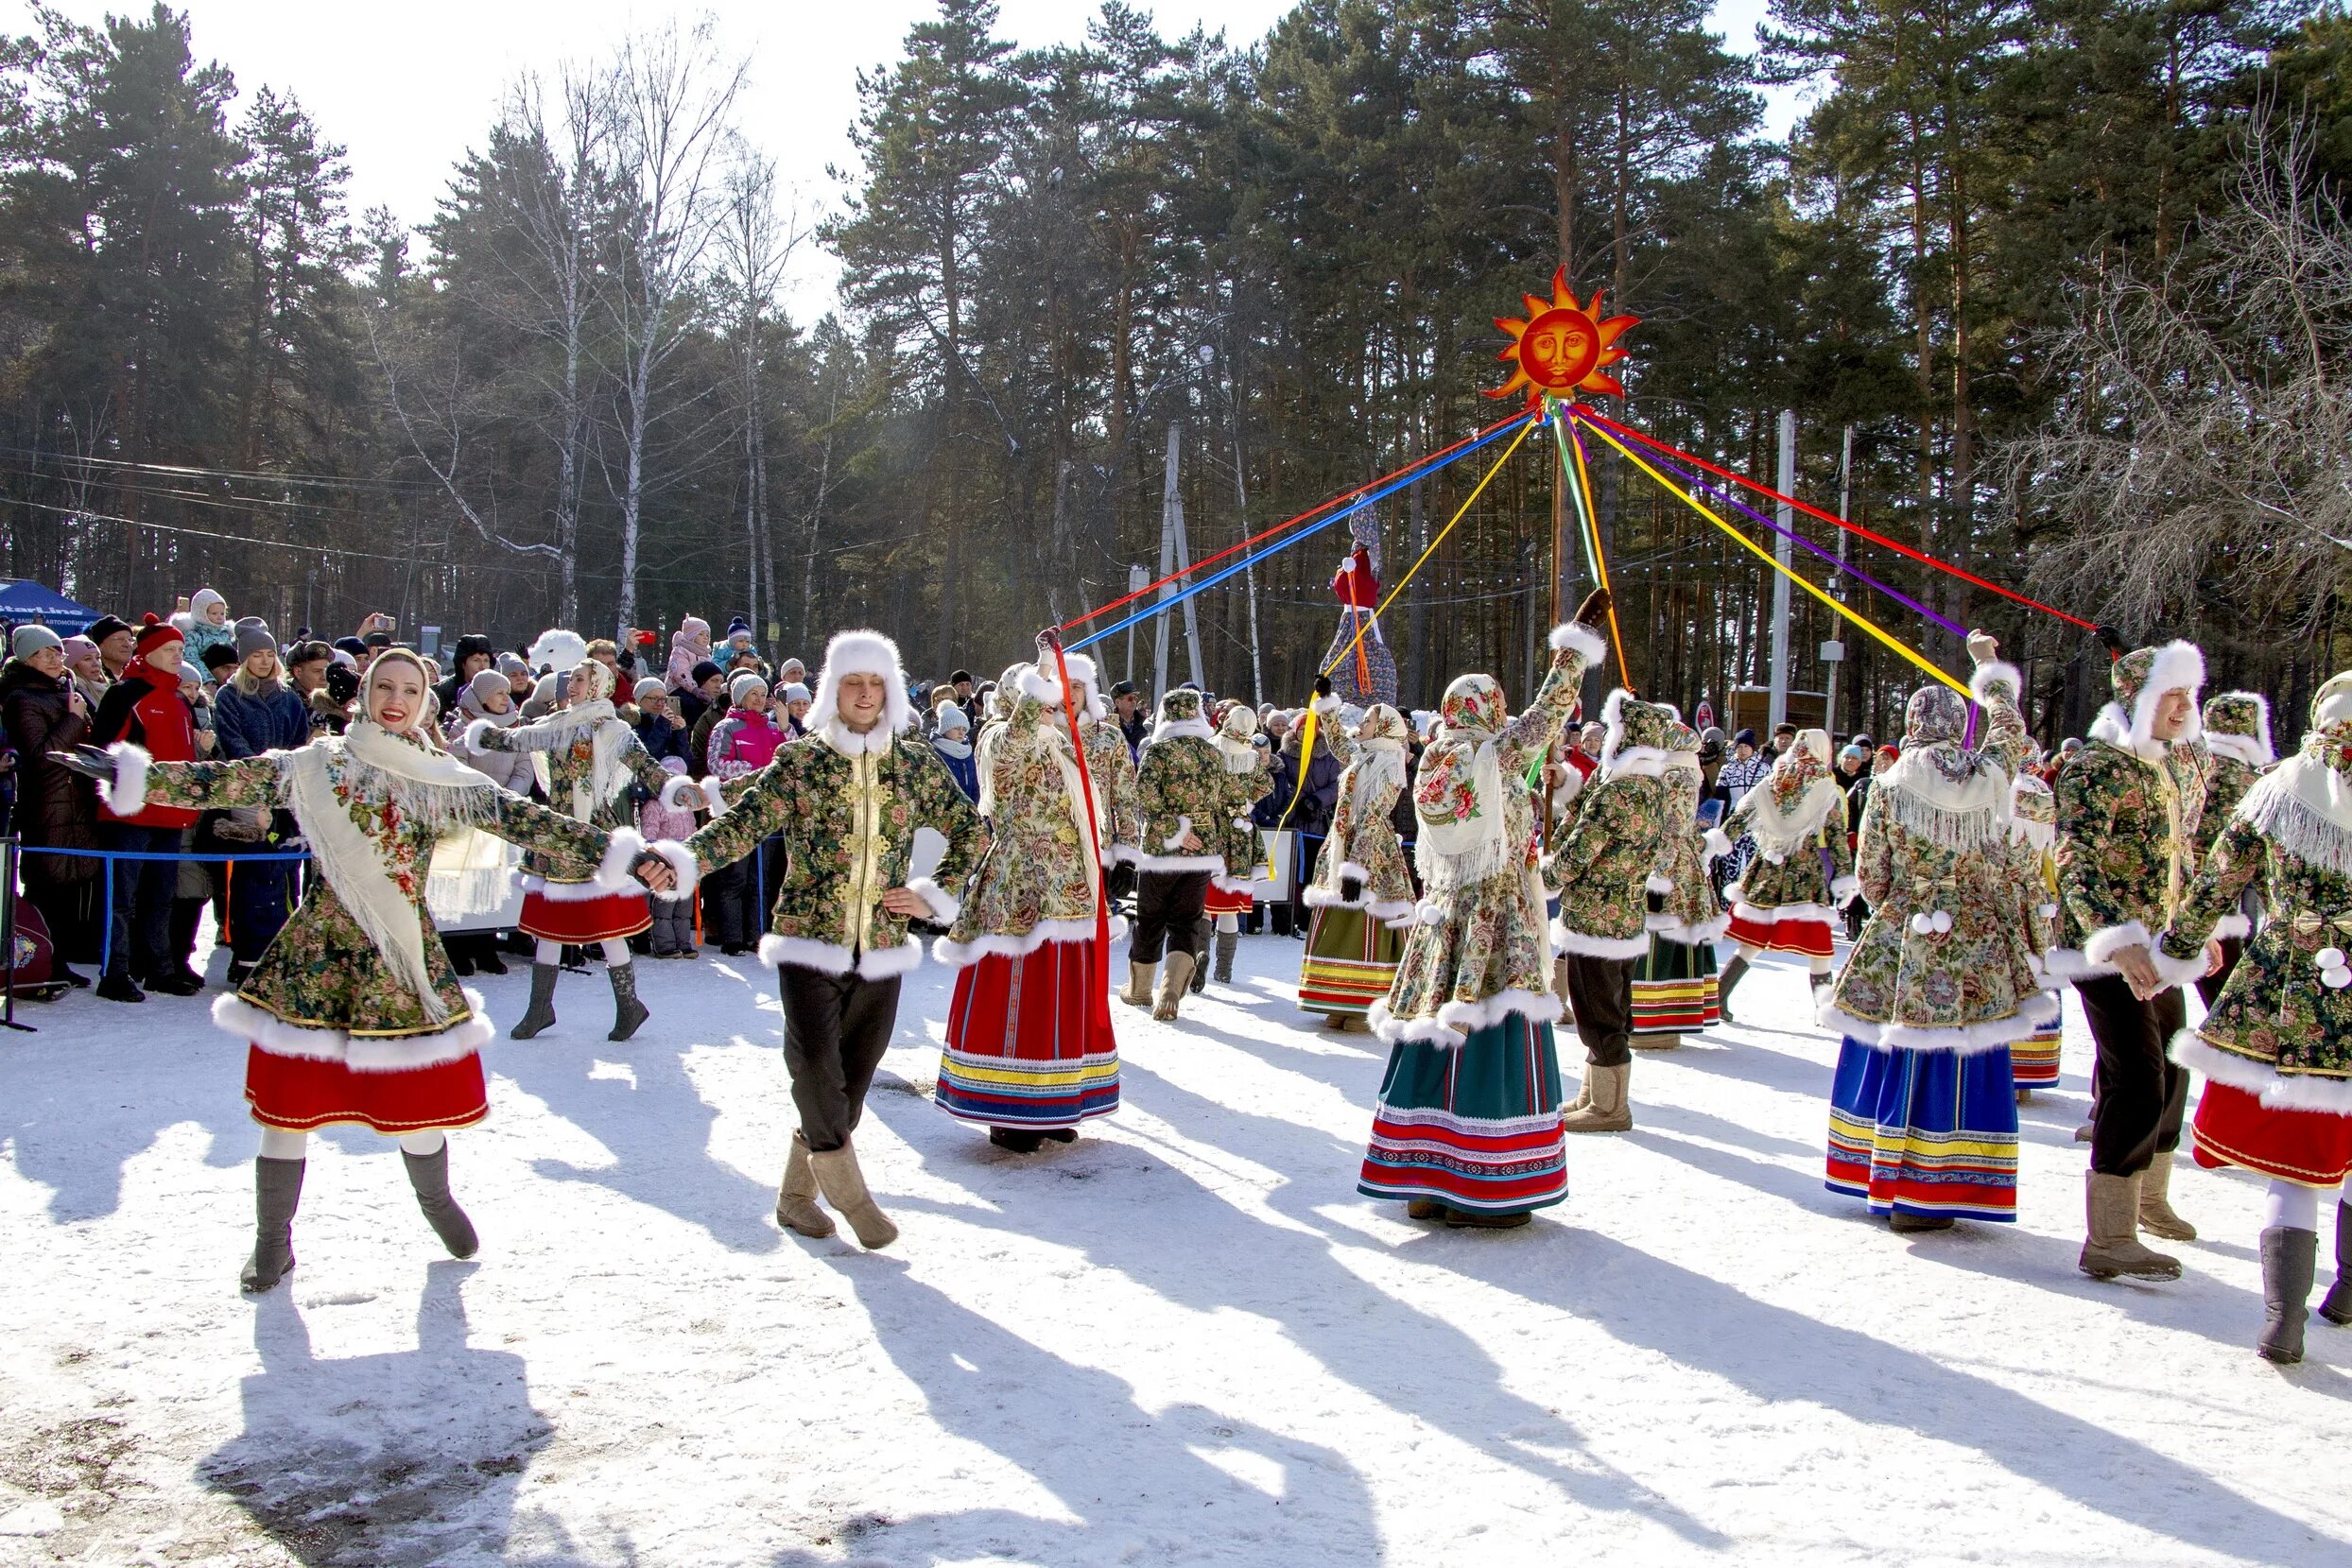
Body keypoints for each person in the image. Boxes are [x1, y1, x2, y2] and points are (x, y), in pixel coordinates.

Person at [56, 647, 638, 1292]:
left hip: (399, 958)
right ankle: (271, 1242)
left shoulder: (443, 778)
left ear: (424, 701)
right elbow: (226, 779)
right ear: (363, 692)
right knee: (288, 1109)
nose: (394, 698)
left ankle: (437, 1203)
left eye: (408, 688)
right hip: (318, 957)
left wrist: (621, 852)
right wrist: (133, 769)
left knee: (415, 1107)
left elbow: (527, 819)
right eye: (383, 685)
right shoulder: (319, 763)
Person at [668, 629, 986, 1249]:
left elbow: (971, 833)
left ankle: (793, 1197)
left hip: (884, 943)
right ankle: (851, 1197)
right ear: (832, 690)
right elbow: (742, 826)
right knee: (815, 1067)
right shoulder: (803, 761)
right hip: (809, 939)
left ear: (888, 690)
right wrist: (680, 861)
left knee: (852, 1083)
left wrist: (932, 891)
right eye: (853, 682)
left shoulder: (913, 762)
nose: (865, 694)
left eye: (875, 683)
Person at [1358, 596, 1607, 1228]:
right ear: (1490, 709)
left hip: (1442, 923)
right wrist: (1574, 645)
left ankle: (1422, 1178)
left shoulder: (1434, 762)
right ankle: (1491, 1185)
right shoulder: (1497, 755)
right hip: (1498, 920)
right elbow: (1551, 710)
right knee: (1496, 1033)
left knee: (1435, 1034)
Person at [2149, 673, 2352, 1361]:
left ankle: (2281, 1320)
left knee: (2293, 1164)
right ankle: (2348, 1284)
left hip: (2287, 983)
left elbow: (2220, 873)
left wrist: (2177, 945)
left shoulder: (2280, 783)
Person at [1818, 643, 2047, 1232]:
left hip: (1908, 932)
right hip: (1977, 934)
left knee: (1900, 1042)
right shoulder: (1989, 774)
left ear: (1913, 725)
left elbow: (1871, 876)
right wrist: (1989, 664)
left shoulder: (1889, 786)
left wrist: (1907, 899)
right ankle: (1951, 1182)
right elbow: (2012, 728)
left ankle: (1890, 1175)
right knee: (1967, 1044)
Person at [2053, 636, 2209, 1281]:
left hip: (2157, 945)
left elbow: (2179, 854)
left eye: (2189, 693)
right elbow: (2073, 857)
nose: (2184, 705)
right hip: (2106, 946)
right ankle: (2109, 1234)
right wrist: (2117, 939)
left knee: (2173, 1069)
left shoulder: (2164, 763)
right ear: (2139, 697)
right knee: (2138, 1078)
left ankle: (2148, 1199)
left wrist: (2198, 926)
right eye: (2172, 692)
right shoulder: (2097, 764)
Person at [932, 644, 1123, 1151]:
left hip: (1070, 886)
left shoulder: (1062, 742)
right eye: (1041, 698)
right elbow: (1013, 756)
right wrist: (1042, 674)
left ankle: (1055, 1101)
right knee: (1020, 991)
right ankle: (1009, 1109)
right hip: (1020, 888)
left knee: (1064, 997)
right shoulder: (998, 737)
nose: (1050, 707)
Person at [466, 650, 678, 1042]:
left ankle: (629, 1005)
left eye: (580, 679)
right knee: (549, 925)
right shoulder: (559, 723)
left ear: (597, 685)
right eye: (573, 679)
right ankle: (540, 1008)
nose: (572, 685)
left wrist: (674, 788)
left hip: (594, 837)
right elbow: (519, 738)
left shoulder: (611, 729)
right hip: (557, 834)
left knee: (607, 925)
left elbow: (645, 764)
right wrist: (482, 734)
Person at [1547, 690, 1679, 1134]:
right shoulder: (1655, 790)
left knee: (1597, 1012)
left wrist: (1543, 878)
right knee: (1614, 1008)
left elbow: (1579, 851)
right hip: (1628, 917)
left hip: (1592, 918)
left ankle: (1610, 1108)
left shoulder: (1617, 792)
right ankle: (1595, 1095)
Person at [1124, 689, 1261, 1019]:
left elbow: (1143, 795)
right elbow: (1224, 795)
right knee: (1186, 922)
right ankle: (1171, 991)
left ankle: (1141, 989)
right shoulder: (1213, 755)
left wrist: (1175, 829)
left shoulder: (1158, 752)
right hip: (1204, 849)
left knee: (1150, 918)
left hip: (1162, 850)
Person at [88, 615, 199, 1002]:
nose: (177, 657)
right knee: (122, 898)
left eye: (180, 650)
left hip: (171, 814)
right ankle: (114, 971)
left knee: (160, 896)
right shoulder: (125, 694)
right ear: (149, 653)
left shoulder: (180, 701)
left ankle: (159, 968)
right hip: (130, 814)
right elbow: (101, 751)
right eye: (170, 650)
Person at [1712, 729, 1856, 1020]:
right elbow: (1836, 835)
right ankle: (1824, 1010)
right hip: (1803, 872)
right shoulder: (1824, 787)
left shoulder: (1774, 780)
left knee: (1754, 938)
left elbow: (1741, 817)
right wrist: (1844, 874)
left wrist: (1716, 844)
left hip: (1768, 865)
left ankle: (1718, 995)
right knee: (1819, 945)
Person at [1298, 703, 1417, 1027]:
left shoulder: (1390, 763)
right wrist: (1326, 707)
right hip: (1344, 843)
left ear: (1384, 728)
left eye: (1368, 721)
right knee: (1340, 916)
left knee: (1367, 919)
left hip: (1371, 852)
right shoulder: (1363, 754)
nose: (1361, 724)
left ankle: (1367, 1002)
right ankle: (1337, 998)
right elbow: (1338, 743)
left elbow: (1373, 816)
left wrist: (1357, 866)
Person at [208, 620, 311, 985]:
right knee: (250, 877)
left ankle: (283, 950)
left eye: (269, 654)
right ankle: (247, 953)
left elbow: (301, 741)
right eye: (256, 655)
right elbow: (231, 741)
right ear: (244, 658)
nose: (264, 661)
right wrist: (260, 774)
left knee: (285, 873)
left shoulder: (288, 698)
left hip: (286, 796)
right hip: (248, 794)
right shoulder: (229, 696)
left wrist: (288, 773)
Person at [1624, 716, 1727, 1053]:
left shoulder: (1676, 775)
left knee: (1659, 941)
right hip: (1673, 866)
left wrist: (1658, 875)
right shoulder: (1678, 771)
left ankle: (1654, 1021)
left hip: (1667, 872)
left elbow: (1672, 829)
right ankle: (1655, 1019)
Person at [1, 624, 97, 983]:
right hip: (45, 805)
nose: (56, 659)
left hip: (75, 803)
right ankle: (40, 961)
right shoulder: (21, 697)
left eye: (58, 652)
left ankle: (59, 961)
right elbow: (42, 756)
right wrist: (74, 718)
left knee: (70, 886)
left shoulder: (65, 690)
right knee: (46, 886)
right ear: (28, 658)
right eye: (46, 653)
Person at [2194, 692, 2274, 1008]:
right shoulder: (2248, 781)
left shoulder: (2187, 766)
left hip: (2176, 885)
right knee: (2228, 1002)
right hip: (2220, 892)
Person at [700, 674, 787, 955]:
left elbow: (793, 759)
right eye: (754, 694)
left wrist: (786, 726)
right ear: (740, 697)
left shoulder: (774, 728)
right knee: (735, 876)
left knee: (759, 879)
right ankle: (732, 936)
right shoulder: (727, 727)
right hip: (738, 811)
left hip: (768, 811)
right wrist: (755, 769)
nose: (760, 700)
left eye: (763, 694)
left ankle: (756, 935)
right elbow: (716, 763)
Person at [1200, 700, 1273, 987]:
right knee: (1230, 904)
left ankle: (1200, 955)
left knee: (1204, 901)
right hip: (1240, 831)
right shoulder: (1252, 757)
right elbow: (1267, 784)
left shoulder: (1211, 749)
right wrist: (1247, 802)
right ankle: (1225, 968)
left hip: (1210, 828)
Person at [2003, 773, 2065, 1098]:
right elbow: (2049, 867)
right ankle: (2029, 1076)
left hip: (2002, 903)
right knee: (2035, 981)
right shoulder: (2043, 802)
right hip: (2035, 907)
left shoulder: (2004, 801)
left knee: (2006, 983)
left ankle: (2005, 1072)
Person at [631, 678, 687, 764]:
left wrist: (680, 732)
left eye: (663, 699)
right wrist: (662, 723)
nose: (660, 703)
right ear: (640, 699)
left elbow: (686, 761)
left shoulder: (667, 721)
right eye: (654, 698)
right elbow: (647, 754)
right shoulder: (633, 723)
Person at [930, 703, 979, 801]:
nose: (961, 733)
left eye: (964, 729)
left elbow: (975, 783)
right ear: (945, 728)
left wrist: (975, 805)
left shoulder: (968, 752)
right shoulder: (935, 753)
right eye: (956, 728)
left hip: (969, 809)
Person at [666, 616, 713, 692]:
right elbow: (681, 672)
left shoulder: (706, 655)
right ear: (691, 635)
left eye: (707, 635)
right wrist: (694, 689)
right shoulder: (680, 651)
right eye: (701, 634)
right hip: (678, 687)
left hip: (699, 688)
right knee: (692, 703)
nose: (705, 637)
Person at [1111, 680, 1148, 758]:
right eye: (1130, 698)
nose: (1134, 701)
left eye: (1135, 698)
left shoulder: (1145, 723)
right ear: (1117, 702)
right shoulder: (1109, 724)